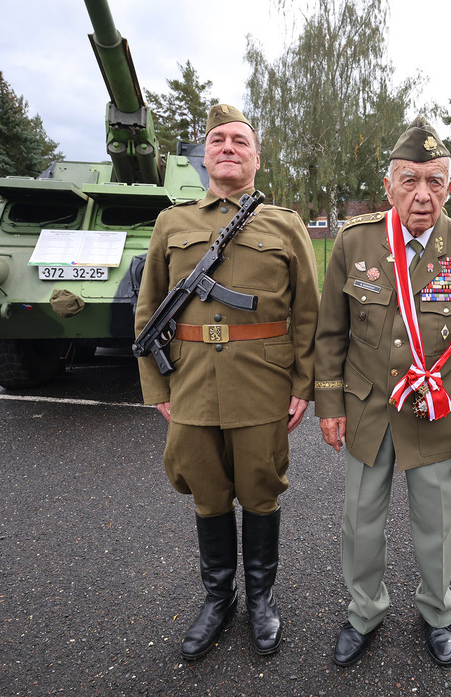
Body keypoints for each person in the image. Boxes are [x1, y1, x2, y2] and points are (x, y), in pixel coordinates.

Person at [135, 104, 319, 659]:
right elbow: (148, 313)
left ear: (256, 157)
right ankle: (219, 600)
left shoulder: (284, 224)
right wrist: (159, 388)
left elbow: (309, 314)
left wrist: (302, 386)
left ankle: (261, 599)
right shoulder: (173, 222)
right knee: (207, 491)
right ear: (205, 156)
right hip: (190, 383)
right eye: (217, 139)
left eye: (240, 140)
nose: (228, 147)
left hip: (262, 382)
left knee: (261, 489)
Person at [314, 117, 451, 666]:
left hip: (436, 409)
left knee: (439, 523)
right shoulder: (354, 241)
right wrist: (329, 402)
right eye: (410, 180)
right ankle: (364, 611)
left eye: (435, 181)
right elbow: (330, 332)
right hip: (368, 405)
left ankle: (437, 613)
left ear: (448, 187)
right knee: (360, 520)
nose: (423, 195)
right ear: (390, 184)